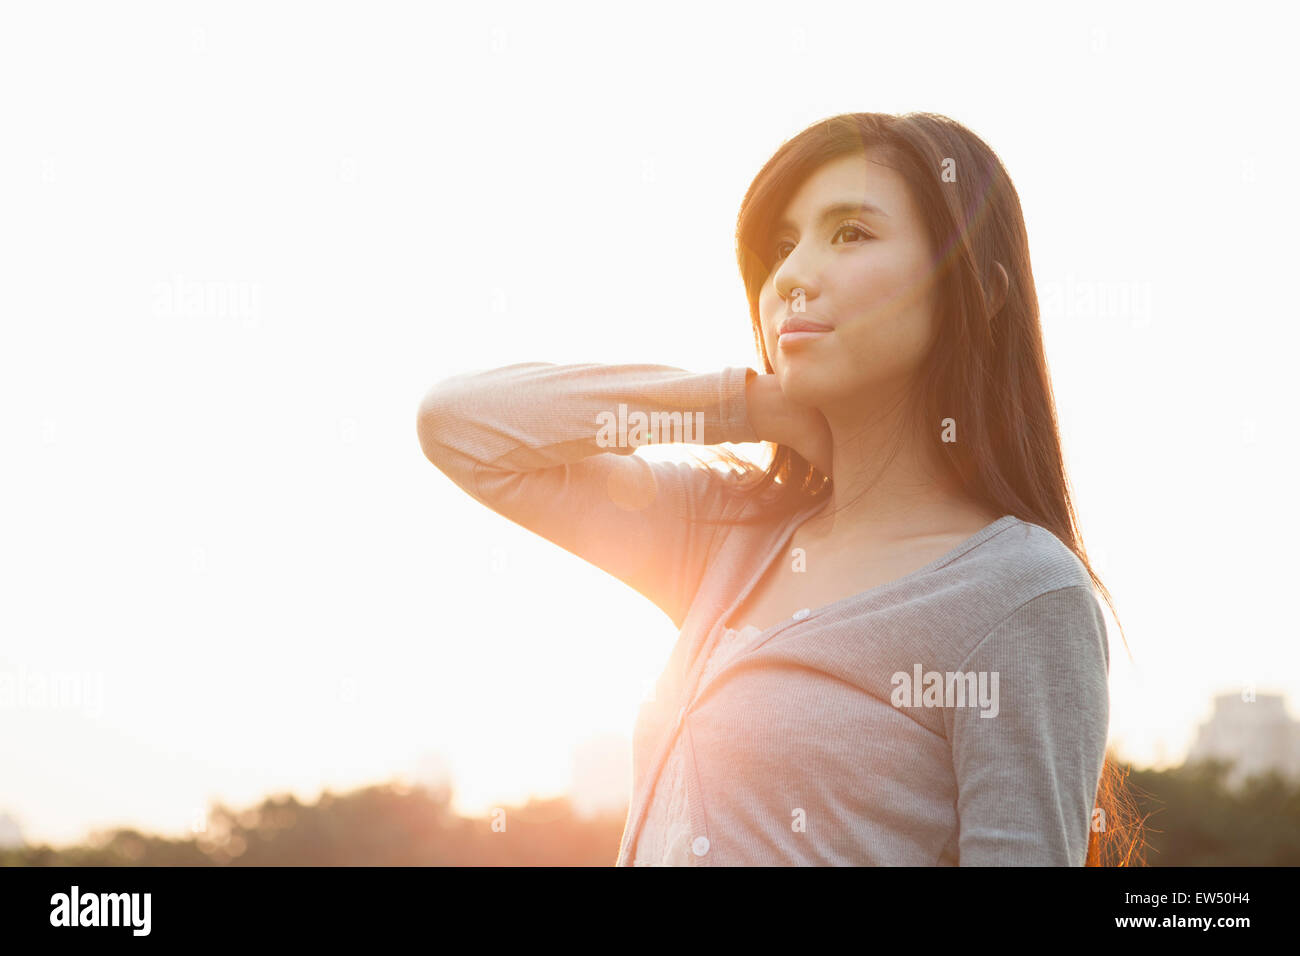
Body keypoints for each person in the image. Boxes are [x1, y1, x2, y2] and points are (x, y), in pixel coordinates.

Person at [417, 111, 1139, 866]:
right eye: (782, 247)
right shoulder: (726, 533)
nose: (791, 276)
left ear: (977, 294)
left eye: (851, 233)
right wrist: (741, 405)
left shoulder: (1019, 593)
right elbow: (463, 427)